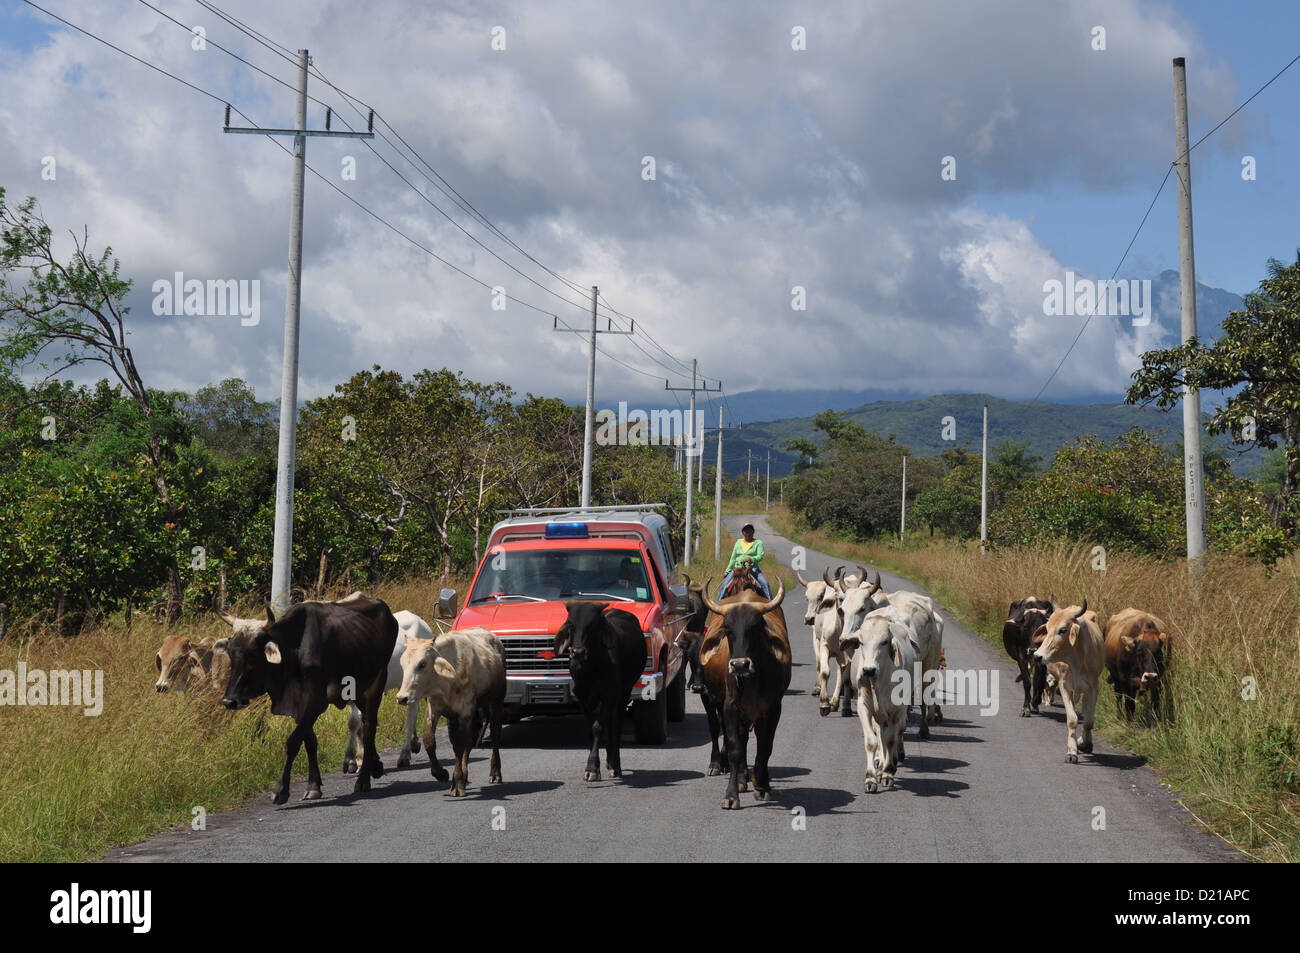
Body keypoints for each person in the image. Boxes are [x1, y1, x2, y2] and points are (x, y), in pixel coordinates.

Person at [721, 522, 771, 598]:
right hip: (737, 568)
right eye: (746, 531)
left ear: (753, 531)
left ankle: (772, 606)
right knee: (724, 585)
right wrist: (727, 571)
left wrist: (752, 559)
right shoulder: (738, 542)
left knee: (765, 584)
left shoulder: (758, 543)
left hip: (752, 568)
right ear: (743, 532)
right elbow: (733, 558)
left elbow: (760, 556)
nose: (748, 533)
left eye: (750, 530)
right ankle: (717, 606)